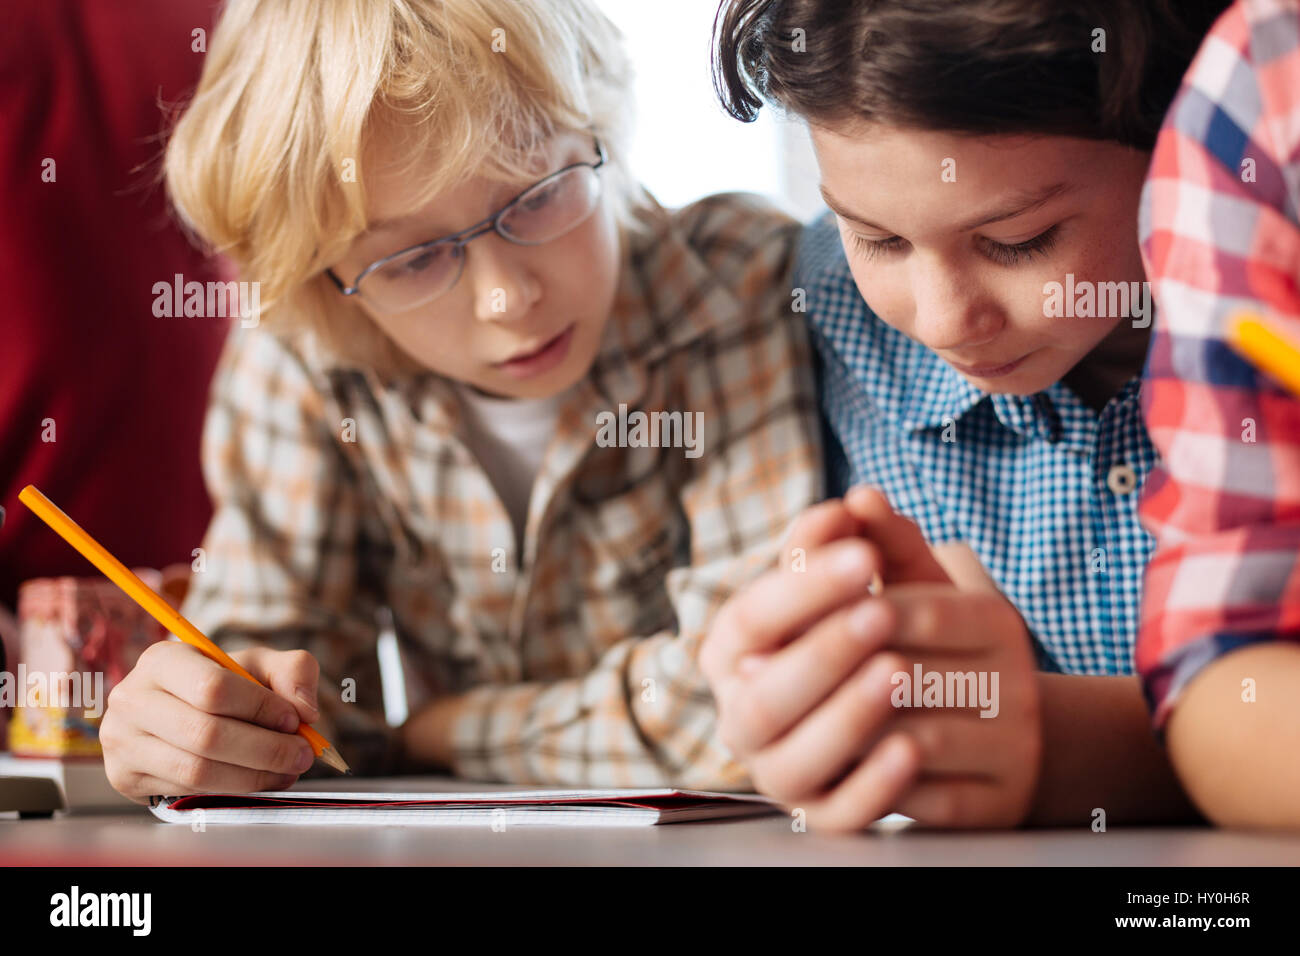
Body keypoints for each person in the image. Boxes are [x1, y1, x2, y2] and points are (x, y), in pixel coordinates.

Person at [98, 0, 822, 802]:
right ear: (328, 289)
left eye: (537, 194)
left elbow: (762, 701)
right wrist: (199, 726)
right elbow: (280, 711)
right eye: (412, 258)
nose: (508, 298)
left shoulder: (737, 282)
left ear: (603, 127)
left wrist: (441, 731)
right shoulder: (302, 358)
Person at [701, 0, 1228, 829]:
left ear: (1183, 147)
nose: (944, 323)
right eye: (878, 239)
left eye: (1018, 242)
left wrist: (1069, 741)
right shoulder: (826, 313)